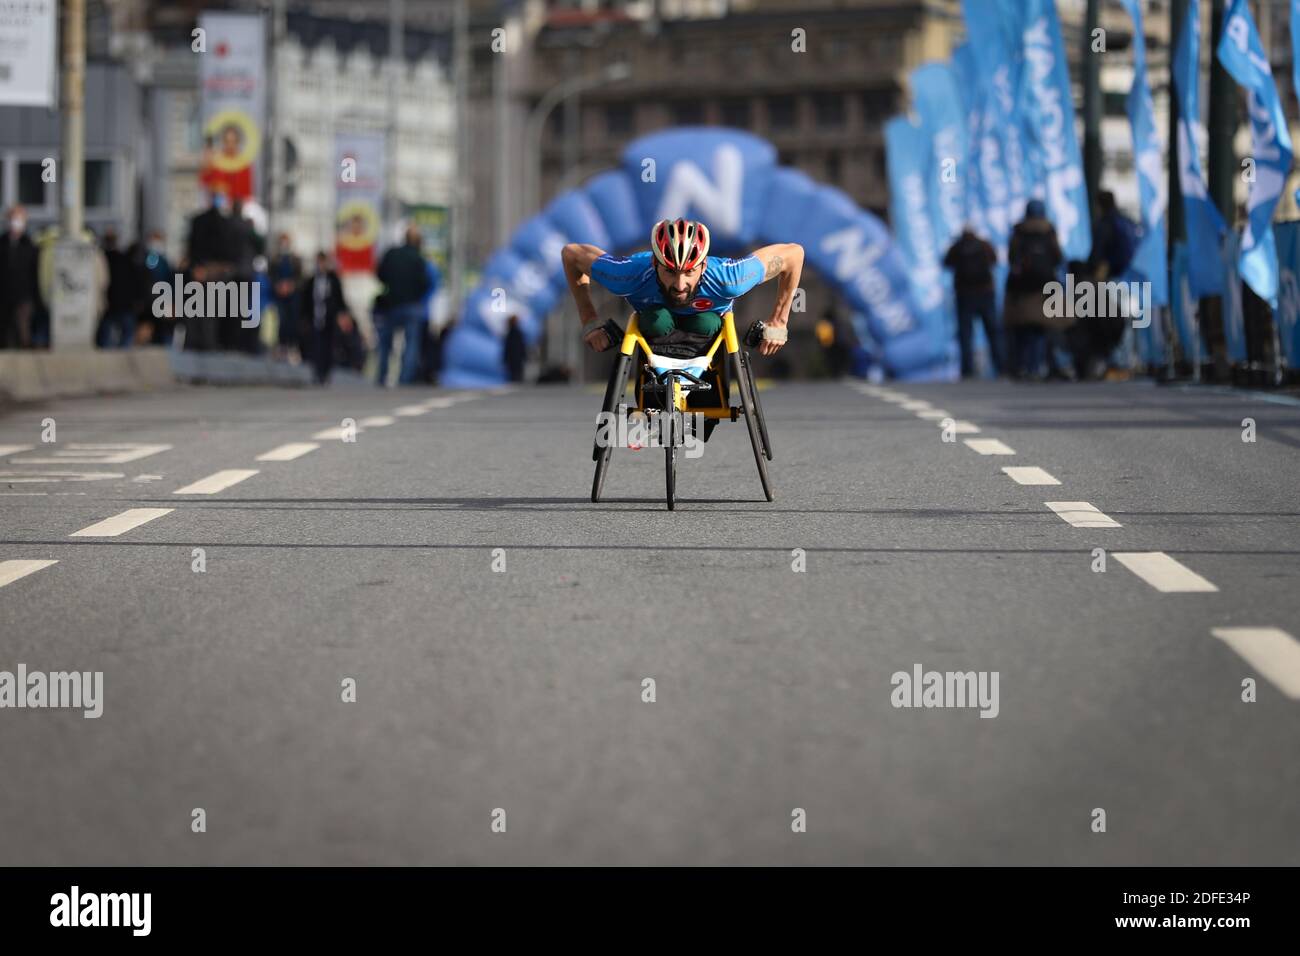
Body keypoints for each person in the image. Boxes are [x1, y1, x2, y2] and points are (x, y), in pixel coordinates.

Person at [562, 218, 802, 359]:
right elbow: (571, 254)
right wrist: (590, 321)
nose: (679, 285)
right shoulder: (628, 275)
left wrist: (779, 321)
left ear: (703, 266)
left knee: (706, 323)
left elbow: (793, 254)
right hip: (656, 330)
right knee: (656, 321)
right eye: (670, 272)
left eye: (689, 272)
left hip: (705, 331)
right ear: (655, 264)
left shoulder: (730, 278)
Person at [1004, 200, 1065, 381]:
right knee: (1043, 327)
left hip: (1023, 287)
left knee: (1023, 328)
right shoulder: (1049, 230)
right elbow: (1058, 257)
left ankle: (1024, 366)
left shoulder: (1018, 231)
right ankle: (1041, 366)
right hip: (1046, 285)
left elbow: (1011, 257)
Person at [375, 225, 434, 385]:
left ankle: (382, 375)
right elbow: (426, 283)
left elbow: (380, 274)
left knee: (385, 343)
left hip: (391, 304)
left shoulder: (392, 254)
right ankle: (405, 379)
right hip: (412, 306)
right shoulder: (419, 259)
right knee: (411, 344)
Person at [942, 226, 1002, 378]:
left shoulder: (957, 247)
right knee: (993, 333)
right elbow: (994, 260)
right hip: (985, 293)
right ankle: (1001, 366)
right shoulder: (984, 245)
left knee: (966, 335)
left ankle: (967, 370)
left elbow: (946, 263)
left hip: (965, 295)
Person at [298, 251, 348, 385]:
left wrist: (343, 315)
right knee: (315, 348)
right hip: (315, 319)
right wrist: (304, 319)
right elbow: (305, 301)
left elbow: (340, 300)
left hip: (329, 320)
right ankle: (317, 373)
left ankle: (326, 373)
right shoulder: (311, 280)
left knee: (329, 348)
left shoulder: (333, 280)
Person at [0, 205, 41, 349]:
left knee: (23, 331)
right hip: (4, 296)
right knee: (5, 334)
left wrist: (36, 298)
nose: (15, 222)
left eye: (19, 219)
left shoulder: (29, 244)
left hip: (24, 295)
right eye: (13, 219)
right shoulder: (3, 242)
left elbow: (35, 273)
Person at [97, 226, 139, 348]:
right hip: (123, 305)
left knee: (107, 340)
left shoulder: (102, 258)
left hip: (109, 305)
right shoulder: (124, 259)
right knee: (126, 337)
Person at [270, 233, 302, 360]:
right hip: (279, 295)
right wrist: (278, 286)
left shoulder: (295, 260)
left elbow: (300, 277)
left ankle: (292, 345)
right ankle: (280, 345)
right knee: (281, 319)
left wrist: (291, 286)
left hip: (292, 295)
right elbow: (271, 276)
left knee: (292, 320)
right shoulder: (275, 259)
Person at [503, 314, 527, 383]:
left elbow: (510, 347)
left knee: (515, 374)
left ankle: (516, 382)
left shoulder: (513, 333)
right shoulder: (514, 332)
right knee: (516, 374)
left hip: (514, 357)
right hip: (515, 357)